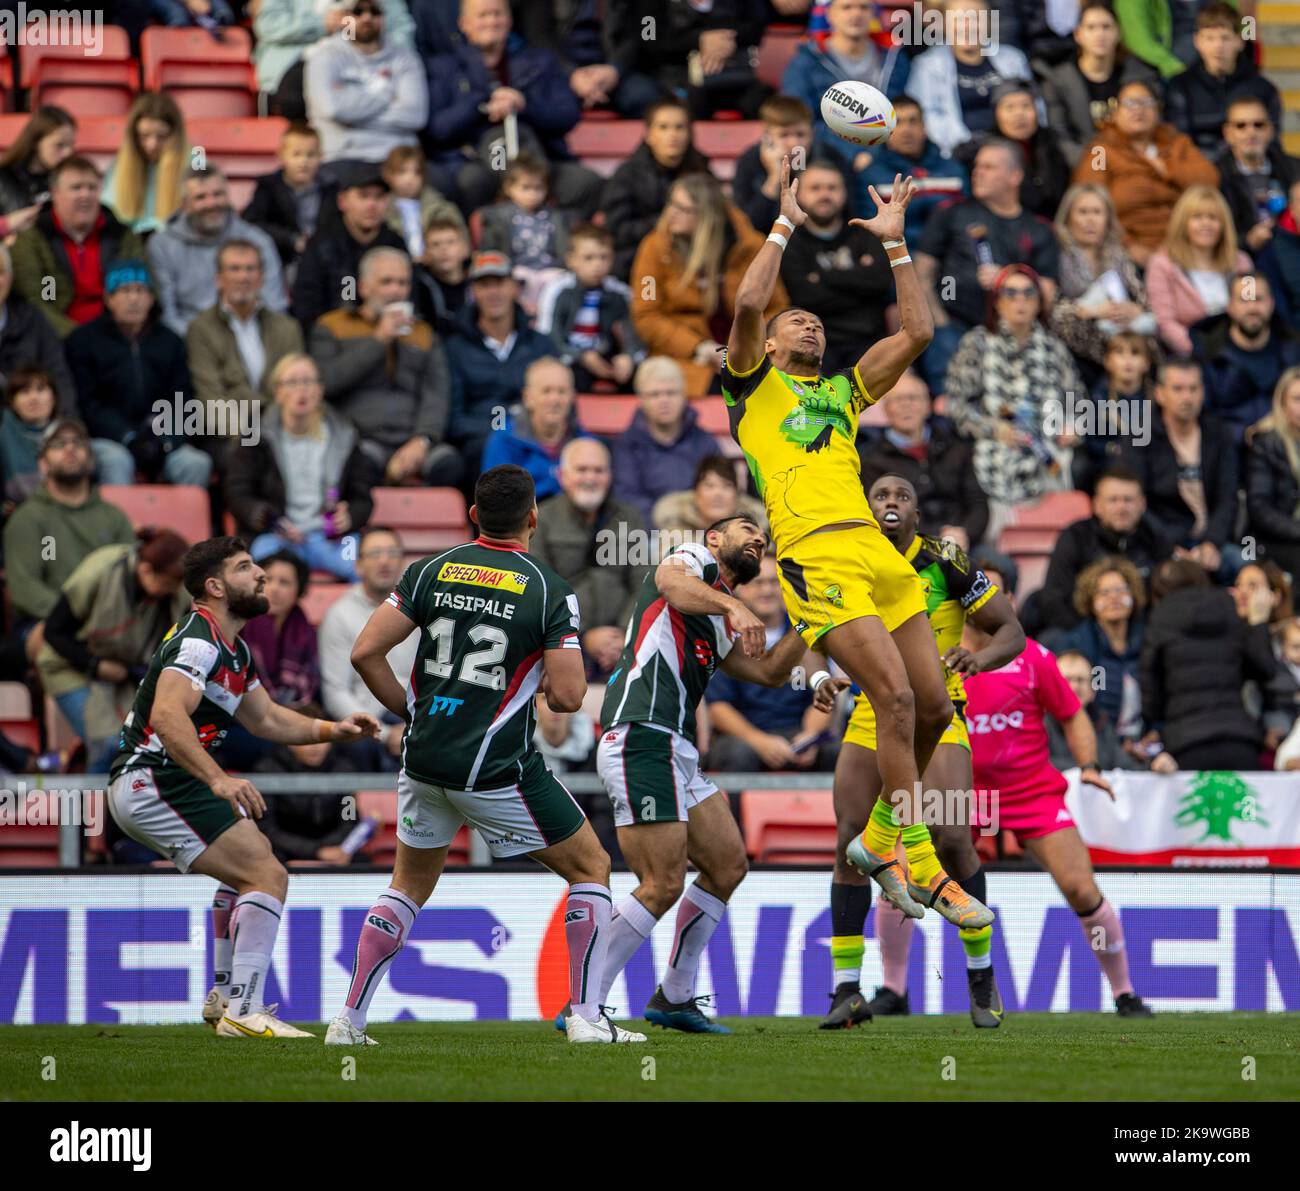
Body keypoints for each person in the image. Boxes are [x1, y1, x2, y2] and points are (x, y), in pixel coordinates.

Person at [722, 159, 994, 926]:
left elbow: (917, 330)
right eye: (792, 323)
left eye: (812, 319)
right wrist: (784, 220)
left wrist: (896, 243)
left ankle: (876, 841)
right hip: (818, 552)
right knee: (896, 696)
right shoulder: (751, 387)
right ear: (768, 350)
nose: (805, 321)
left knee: (936, 705)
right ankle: (915, 856)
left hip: (880, 556)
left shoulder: (841, 392)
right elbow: (748, 299)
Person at [330, 464, 646, 1046]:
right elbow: (572, 697)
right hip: (495, 767)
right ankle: (586, 1017)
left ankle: (348, 1021)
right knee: (590, 868)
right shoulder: (550, 590)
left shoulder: (429, 570)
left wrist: (412, 712)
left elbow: (364, 653)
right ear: (532, 517)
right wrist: (545, 676)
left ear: (474, 515)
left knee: (406, 886)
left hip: (422, 758)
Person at [106, 535, 380, 1035]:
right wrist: (218, 779)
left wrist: (330, 730)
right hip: (156, 778)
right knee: (267, 875)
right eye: (246, 567)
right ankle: (243, 1009)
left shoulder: (232, 647)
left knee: (249, 872)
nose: (260, 575)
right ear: (214, 586)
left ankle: (223, 998)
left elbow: (268, 719)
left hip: (164, 780)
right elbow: (168, 717)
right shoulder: (196, 642)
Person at [582, 514, 841, 1033]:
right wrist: (735, 605)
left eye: (762, 537)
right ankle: (582, 1004)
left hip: (674, 747)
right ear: (715, 539)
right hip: (640, 732)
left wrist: (814, 621)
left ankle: (675, 997)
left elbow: (767, 671)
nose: (758, 538)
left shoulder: (720, 616)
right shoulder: (692, 563)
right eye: (747, 528)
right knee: (660, 883)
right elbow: (669, 584)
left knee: (727, 865)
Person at [825, 473, 1022, 1029]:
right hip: (873, 714)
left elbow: (1011, 630)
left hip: (942, 715)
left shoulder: (948, 561)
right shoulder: (848, 559)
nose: (890, 502)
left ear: (917, 513)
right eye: (880, 495)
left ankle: (981, 979)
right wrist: (816, 674)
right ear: (865, 509)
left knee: (954, 834)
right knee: (848, 840)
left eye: (901, 496)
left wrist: (978, 659)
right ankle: (846, 992)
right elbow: (809, 629)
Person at [962, 613, 1155, 1017]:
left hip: (1030, 790)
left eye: (991, 595)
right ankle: (894, 990)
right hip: (962, 792)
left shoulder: (1033, 657)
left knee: (1082, 889)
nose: (981, 604)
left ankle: (1124, 992)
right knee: (907, 876)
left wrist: (1088, 765)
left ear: (1007, 602)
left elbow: (1070, 713)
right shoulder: (935, 651)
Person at [423, 0, 599, 218]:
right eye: (483, 15)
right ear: (464, 23)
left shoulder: (539, 61)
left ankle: (557, 242)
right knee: (471, 181)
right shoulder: (445, 66)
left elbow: (567, 115)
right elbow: (438, 128)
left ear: (509, 20)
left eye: (497, 14)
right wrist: (483, 103)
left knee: (584, 182)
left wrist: (523, 105)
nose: (491, 21)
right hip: (475, 159)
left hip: (537, 157)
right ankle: (490, 244)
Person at [38, 529, 191, 772]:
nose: (172, 591)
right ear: (146, 570)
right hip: (70, 666)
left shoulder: (176, 590)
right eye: (167, 584)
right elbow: (53, 633)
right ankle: (91, 810)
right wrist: (96, 665)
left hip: (127, 673)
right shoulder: (101, 571)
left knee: (149, 744)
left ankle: (123, 807)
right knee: (108, 743)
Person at [915, 140, 1060, 391]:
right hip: (953, 326)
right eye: (977, 166)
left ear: (1014, 176)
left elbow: (1047, 292)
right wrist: (939, 323)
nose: (977, 172)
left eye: (989, 167)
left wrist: (1007, 278)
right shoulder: (951, 213)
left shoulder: (1039, 228)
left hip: (1013, 334)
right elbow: (921, 271)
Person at [310, 246, 461, 488]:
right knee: (360, 466)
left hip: (413, 440)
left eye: (402, 283)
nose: (395, 291)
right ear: (364, 287)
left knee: (449, 466)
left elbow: (437, 393)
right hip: (359, 438)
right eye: (386, 282)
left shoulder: (423, 334)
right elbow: (325, 384)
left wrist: (422, 440)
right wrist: (378, 340)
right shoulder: (333, 326)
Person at [944, 265, 1084, 527]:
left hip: (1047, 445)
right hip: (994, 442)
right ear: (997, 302)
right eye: (1011, 294)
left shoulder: (1053, 348)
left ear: (1039, 302)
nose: (1020, 301)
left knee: (1077, 466)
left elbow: (1077, 400)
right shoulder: (977, 343)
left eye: (1028, 294)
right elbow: (956, 404)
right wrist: (992, 429)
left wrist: (1073, 425)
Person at [631, 173, 786, 399]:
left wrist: (748, 346)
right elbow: (647, 316)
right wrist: (698, 347)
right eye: (671, 204)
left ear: (707, 217)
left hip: (748, 353)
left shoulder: (749, 246)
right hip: (686, 357)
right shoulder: (654, 248)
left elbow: (776, 307)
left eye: (684, 209)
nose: (671, 214)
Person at [224, 353, 377, 582]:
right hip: (275, 536)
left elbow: (363, 498)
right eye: (292, 382)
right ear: (278, 393)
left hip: (333, 540)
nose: (301, 390)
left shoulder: (344, 436)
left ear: (320, 390)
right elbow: (237, 493)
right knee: (256, 577)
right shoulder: (256, 436)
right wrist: (270, 519)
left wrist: (350, 515)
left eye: (308, 382)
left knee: (365, 570)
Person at [65, 259, 211, 489]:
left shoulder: (170, 341)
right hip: (107, 439)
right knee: (117, 461)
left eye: (140, 291)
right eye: (124, 291)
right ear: (108, 299)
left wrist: (166, 441)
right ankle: (121, 526)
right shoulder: (83, 341)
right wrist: (127, 437)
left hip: (160, 435)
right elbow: (87, 404)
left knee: (196, 463)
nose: (133, 299)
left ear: (151, 299)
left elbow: (182, 399)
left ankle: (178, 525)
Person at [2, 418, 136, 664]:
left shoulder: (113, 516)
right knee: (55, 648)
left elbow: (132, 575)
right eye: (59, 444)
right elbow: (25, 589)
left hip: (108, 621)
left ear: (91, 459)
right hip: (46, 623)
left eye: (78, 443)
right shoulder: (29, 517)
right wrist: (74, 617)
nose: (70, 449)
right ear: (42, 464)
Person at [705, 552, 842, 775]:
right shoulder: (725, 634)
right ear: (739, 589)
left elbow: (824, 691)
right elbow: (718, 707)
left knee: (838, 752)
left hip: (797, 732)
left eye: (774, 582)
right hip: (744, 737)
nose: (767, 590)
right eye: (758, 583)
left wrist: (810, 735)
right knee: (738, 753)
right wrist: (759, 741)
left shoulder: (805, 631)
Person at [1139, 557, 1277, 770]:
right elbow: (1264, 668)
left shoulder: (1160, 616)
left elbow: (1150, 688)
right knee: (1240, 804)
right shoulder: (1229, 607)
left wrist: (1155, 723)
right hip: (1239, 739)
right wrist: (1258, 624)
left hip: (1186, 742)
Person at [530, 438, 648, 678]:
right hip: (558, 644)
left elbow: (643, 583)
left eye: (598, 470)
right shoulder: (542, 518)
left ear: (610, 475)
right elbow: (540, 590)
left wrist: (623, 634)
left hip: (625, 644)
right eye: (582, 470)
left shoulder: (629, 518)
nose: (590, 478)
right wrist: (582, 636)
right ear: (563, 475)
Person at [1073, 77, 1219, 268]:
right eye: (1130, 103)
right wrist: (1128, 245)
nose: (1138, 109)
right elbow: (1090, 200)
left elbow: (1209, 181)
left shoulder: (1176, 143)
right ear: (1115, 113)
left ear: (1157, 111)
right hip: (1127, 250)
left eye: (1146, 103)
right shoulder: (1101, 151)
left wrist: (1168, 170)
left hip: (1184, 245)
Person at [444, 250, 558, 479]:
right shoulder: (454, 348)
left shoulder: (540, 343)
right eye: (485, 285)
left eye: (500, 283)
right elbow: (453, 418)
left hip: (535, 436)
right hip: (480, 440)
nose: (493, 292)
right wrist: (501, 433)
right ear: (474, 292)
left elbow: (558, 398)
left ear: (514, 288)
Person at [1126, 357, 1239, 578]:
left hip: (1212, 543)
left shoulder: (1218, 433)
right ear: (1160, 394)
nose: (1187, 397)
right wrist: (1170, 548)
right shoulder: (1140, 436)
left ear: (1202, 392)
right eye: (1177, 389)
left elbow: (1228, 497)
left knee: (1249, 567)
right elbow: (1136, 501)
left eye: (1193, 389)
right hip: (1160, 545)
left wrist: (1212, 543)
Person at [10, 156, 146, 338]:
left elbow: (138, 288)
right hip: (57, 338)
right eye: (76, 188)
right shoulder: (34, 238)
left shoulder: (120, 235)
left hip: (116, 335)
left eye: (92, 187)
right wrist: (76, 336)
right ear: (55, 193)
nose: (86, 195)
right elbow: (37, 300)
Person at [779, 159, 891, 376]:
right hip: (815, 345)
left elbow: (880, 282)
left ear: (845, 192)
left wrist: (821, 277)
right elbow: (804, 296)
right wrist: (859, 284)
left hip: (869, 342)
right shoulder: (791, 241)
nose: (824, 195)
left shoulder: (866, 232)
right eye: (815, 188)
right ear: (799, 195)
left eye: (832, 188)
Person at [146, 167, 286, 337]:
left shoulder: (258, 241)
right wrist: (205, 344)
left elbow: (275, 306)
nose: (211, 204)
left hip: (251, 338)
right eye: (201, 197)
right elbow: (167, 316)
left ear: (228, 197)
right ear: (184, 205)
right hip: (189, 341)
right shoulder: (162, 245)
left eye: (218, 194)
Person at [857, 371, 988, 551]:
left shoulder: (957, 448)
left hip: (962, 542)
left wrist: (964, 533)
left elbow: (978, 504)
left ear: (929, 406)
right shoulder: (870, 460)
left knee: (1002, 568)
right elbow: (880, 516)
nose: (906, 405)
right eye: (898, 399)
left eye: (913, 398)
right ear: (886, 409)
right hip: (905, 547)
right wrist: (935, 540)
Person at [318, 525, 413, 765]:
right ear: (358, 565)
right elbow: (335, 692)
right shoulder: (340, 614)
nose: (384, 561)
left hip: (416, 714)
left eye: (392, 553)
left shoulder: (420, 608)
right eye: (375, 554)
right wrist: (384, 732)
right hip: (369, 719)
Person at [782, 0, 910, 174]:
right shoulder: (806, 62)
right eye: (846, 7)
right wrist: (853, 153)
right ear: (829, 14)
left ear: (873, 13)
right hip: (827, 159)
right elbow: (798, 121)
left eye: (863, 7)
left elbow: (906, 113)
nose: (856, 14)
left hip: (887, 157)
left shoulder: (895, 58)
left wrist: (873, 153)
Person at [186, 239, 306, 422]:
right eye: (234, 269)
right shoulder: (201, 329)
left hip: (281, 430)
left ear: (262, 277)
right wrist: (250, 438)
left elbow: (297, 389)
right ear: (219, 279)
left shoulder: (287, 328)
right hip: (230, 435)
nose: (243, 277)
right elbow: (210, 399)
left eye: (251, 269)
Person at [303, 0, 428, 175]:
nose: (367, 17)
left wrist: (351, 115)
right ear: (344, 16)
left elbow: (415, 116)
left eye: (375, 11)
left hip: (397, 160)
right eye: (358, 11)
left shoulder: (405, 57)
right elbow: (333, 109)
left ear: (385, 17)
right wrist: (386, 96)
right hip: (343, 157)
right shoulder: (324, 56)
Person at [904, 0, 1035, 157]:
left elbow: (1034, 105)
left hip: (1014, 150)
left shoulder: (1013, 59)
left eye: (976, 19)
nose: (967, 27)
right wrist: (973, 146)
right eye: (958, 20)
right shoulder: (927, 65)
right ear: (944, 24)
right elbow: (927, 117)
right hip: (957, 154)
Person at [599, 96, 712, 278]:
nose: (672, 135)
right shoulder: (627, 174)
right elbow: (616, 230)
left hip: (694, 256)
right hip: (638, 259)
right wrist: (663, 223)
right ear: (649, 135)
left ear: (690, 133)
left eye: (680, 127)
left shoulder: (702, 171)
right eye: (664, 127)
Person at [1041, 1, 1160, 169]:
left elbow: (1154, 126)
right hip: (1084, 169)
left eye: (1106, 27)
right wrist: (1099, 166)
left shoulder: (1139, 76)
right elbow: (1061, 137)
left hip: (1134, 166)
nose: (1099, 35)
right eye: (1091, 27)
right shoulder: (1058, 81)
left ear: (1118, 32)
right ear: (1078, 34)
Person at [253, 0, 416, 123]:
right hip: (294, 69)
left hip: (363, 70)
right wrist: (321, 23)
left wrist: (372, 46)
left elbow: (402, 33)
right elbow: (267, 24)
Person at [290, 163, 407, 332]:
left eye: (379, 197)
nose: (371, 205)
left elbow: (412, 299)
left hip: (393, 335)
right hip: (335, 342)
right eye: (363, 196)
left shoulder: (396, 244)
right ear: (342, 201)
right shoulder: (322, 244)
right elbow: (307, 305)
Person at [1049, 183, 1154, 368]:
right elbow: (1052, 311)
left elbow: (1144, 302)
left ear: (1108, 219)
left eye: (1097, 212)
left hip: (1122, 340)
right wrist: (1092, 311)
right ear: (1068, 218)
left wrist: (1135, 310)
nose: (1091, 220)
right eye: (1083, 212)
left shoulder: (1119, 256)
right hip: (1076, 349)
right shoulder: (1056, 255)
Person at [611, 357, 726, 526]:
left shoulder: (704, 441)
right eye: (655, 394)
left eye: (671, 393)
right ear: (641, 400)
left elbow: (721, 489)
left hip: (700, 527)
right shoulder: (627, 445)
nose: (664, 400)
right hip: (649, 533)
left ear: (684, 396)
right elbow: (627, 498)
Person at [253, 699, 369, 865]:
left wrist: (331, 849)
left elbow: (349, 817)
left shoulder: (344, 769)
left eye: (323, 741)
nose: (316, 748)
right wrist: (316, 851)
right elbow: (267, 828)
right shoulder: (267, 770)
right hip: (284, 852)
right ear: (288, 740)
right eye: (307, 741)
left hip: (333, 851)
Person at [1193, 272, 1300, 445]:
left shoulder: (1292, 349)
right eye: (1244, 300)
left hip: (1286, 448)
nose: (1252, 308)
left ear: (1271, 303)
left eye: (1258, 299)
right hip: (1228, 449)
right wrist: (1244, 433)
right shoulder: (1208, 354)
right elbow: (1203, 417)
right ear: (1229, 306)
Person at [534, 223, 645, 391]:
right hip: (569, 358)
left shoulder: (620, 293)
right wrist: (581, 356)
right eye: (589, 258)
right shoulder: (557, 290)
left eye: (604, 257)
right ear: (571, 260)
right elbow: (548, 337)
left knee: (636, 376)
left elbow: (633, 335)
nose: (597, 265)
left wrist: (628, 357)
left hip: (606, 357)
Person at [1048, 556, 1147, 740]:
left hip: (1142, 741)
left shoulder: (1147, 641)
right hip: (1098, 742)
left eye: (1121, 590)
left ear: (1133, 595)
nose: (1113, 598)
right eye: (1104, 592)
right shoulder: (1076, 644)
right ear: (1090, 601)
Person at [1145, 185, 1251, 356]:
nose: (1206, 224)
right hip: (1191, 356)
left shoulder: (1242, 262)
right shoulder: (1161, 265)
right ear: (1183, 223)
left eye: (1213, 218)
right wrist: (1200, 351)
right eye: (1197, 217)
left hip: (1239, 353)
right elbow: (1164, 322)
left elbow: (1251, 307)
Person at [1164, 2, 1281, 156]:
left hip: (1247, 168)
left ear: (1239, 41)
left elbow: (1273, 144)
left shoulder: (1263, 89)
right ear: (1197, 41)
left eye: (1225, 38)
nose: (1218, 46)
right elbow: (1180, 144)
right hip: (1201, 170)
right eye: (1210, 38)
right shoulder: (1180, 86)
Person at [857, 98, 968, 243]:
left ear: (924, 127)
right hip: (898, 258)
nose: (906, 130)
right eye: (897, 122)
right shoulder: (870, 177)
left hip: (952, 258)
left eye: (913, 121)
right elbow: (871, 233)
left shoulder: (954, 170)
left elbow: (967, 221)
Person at [480, 357, 590, 502]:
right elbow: (495, 504)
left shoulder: (586, 443)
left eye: (562, 391)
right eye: (546, 391)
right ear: (528, 397)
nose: (554, 399)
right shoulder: (503, 442)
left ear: (572, 397)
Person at [960, 80, 1070, 222]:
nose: (1019, 114)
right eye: (1009, 108)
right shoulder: (982, 150)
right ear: (996, 114)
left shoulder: (1052, 143)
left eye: (1026, 106)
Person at [477, 153, 571, 312]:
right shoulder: (499, 216)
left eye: (538, 188)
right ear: (509, 188)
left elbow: (565, 250)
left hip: (550, 272)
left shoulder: (555, 216)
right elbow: (491, 250)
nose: (532, 194)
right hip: (516, 272)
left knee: (562, 283)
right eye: (526, 188)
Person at [1214, 95, 1300, 256]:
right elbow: (1209, 232)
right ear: (1227, 133)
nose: (1251, 132)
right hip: (1241, 264)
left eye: (1258, 124)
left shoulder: (1295, 168)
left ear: (1270, 130)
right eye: (1241, 126)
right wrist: (1246, 241)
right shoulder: (1215, 176)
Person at [1074, 331, 1159, 492]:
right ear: (1108, 362)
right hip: (1109, 461)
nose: (1127, 360)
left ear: (1146, 363)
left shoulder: (1157, 397)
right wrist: (1111, 448)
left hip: (1148, 459)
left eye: (1135, 353)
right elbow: (1090, 440)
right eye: (1119, 353)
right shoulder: (1098, 396)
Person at [241, 123, 333, 270]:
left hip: (324, 261)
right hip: (280, 261)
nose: (303, 162)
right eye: (296, 154)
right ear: (281, 156)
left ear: (321, 157)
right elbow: (252, 222)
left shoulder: (331, 188)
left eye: (311, 155)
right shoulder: (268, 186)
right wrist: (292, 240)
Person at [0, 244, 76, 411]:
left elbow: (59, 376)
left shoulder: (31, 318)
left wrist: (65, 426)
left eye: (0, 272)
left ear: (10, 278)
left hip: (38, 428)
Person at [0, 367, 88, 510]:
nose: (33, 398)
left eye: (40, 390)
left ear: (54, 397)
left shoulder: (69, 431)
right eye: (24, 392)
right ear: (12, 402)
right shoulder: (5, 432)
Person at [102, 92, 188, 237]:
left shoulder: (197, 158)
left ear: (175, 135)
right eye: (144, 136)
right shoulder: (117, 166)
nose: (152, 145)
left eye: (162, 137)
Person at [1048, 649, 1148, 772]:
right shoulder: (1036, 722)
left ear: (1092, 690)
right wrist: (1089, 769)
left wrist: (1154, 766)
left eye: (1080, 680)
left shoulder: (1102, 724)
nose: (1074, 686)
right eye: (1066, 679)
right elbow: (1036, 765)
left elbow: (1126, 767)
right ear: (1050, 686)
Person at [1245, 365, 1300, 580]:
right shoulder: (1266, 442)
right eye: (1297, 399)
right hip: (1271, 539)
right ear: (1282, 403)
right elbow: (1259, 508)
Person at [653, 454, 767, 552]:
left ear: (737, 495)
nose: (717, 494)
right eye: (709, 485)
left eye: (726, 485)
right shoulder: (675, 531)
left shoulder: (755, 534)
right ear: (696, 494)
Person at [380, 144, 463, 261]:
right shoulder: (380, 209)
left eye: (416, 172)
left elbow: (462, 246)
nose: (410, 178)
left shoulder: (442, 207)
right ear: (388, 174)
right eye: (402, 171)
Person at [0, 105, 75, 217]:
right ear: (36, 141)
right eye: (59, 145)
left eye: (71, 145)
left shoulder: (71, 178)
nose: (67, 153)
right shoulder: (4, 176)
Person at [413, 215, 471, 334]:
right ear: (425, 253)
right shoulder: (419, 288)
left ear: (465, 249)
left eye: (450, 242)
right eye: (435, 244)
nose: (444, 249)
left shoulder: (478, 284)